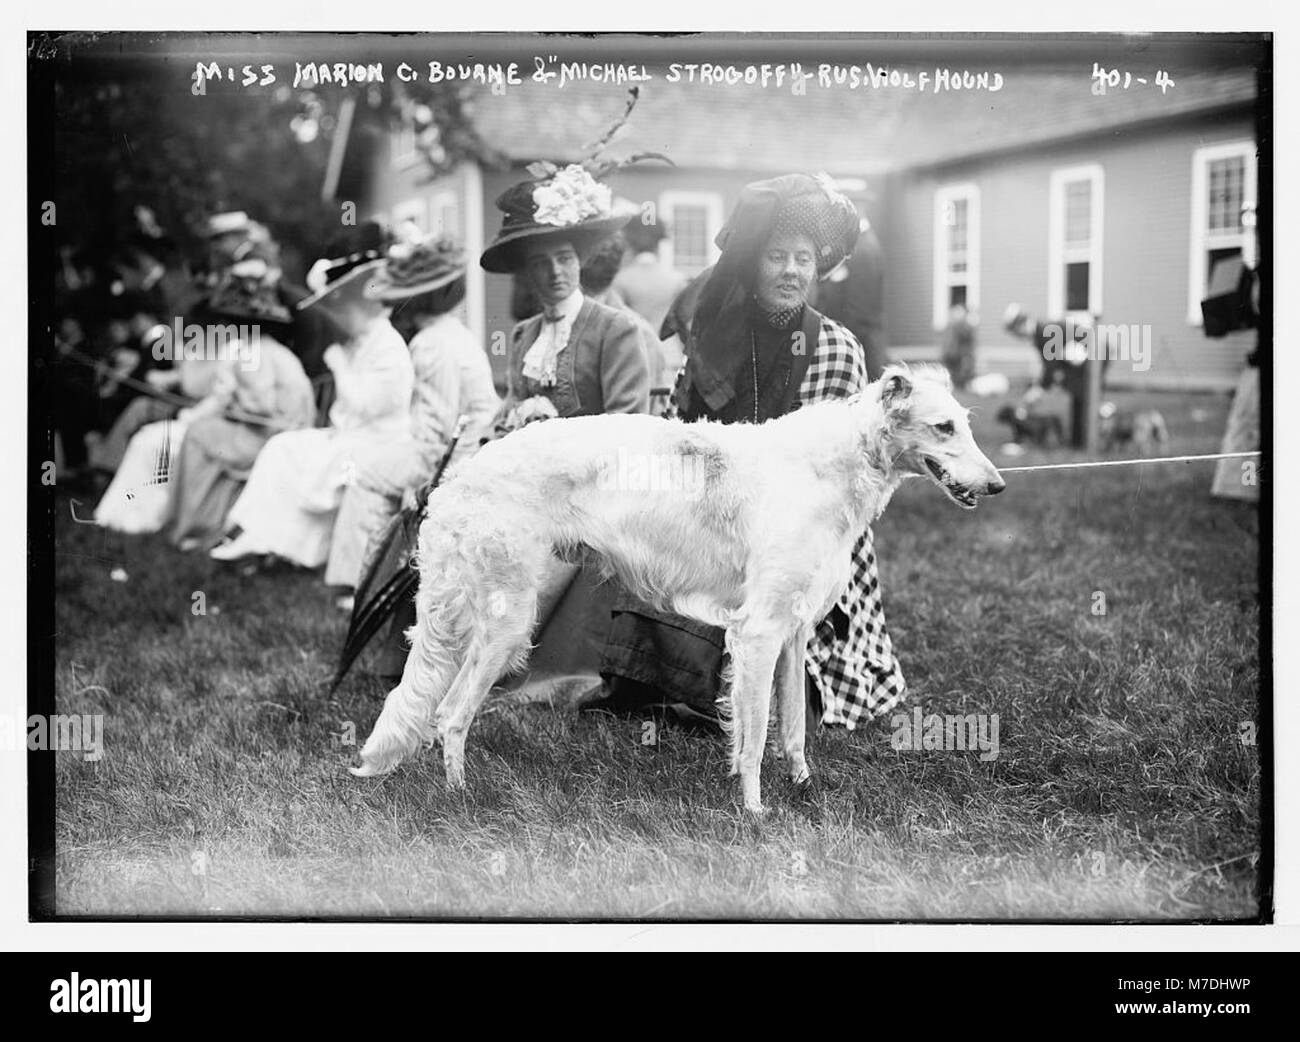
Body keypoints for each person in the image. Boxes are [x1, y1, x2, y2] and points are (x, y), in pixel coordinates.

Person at [599, 172, 908, 731]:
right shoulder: (717, 337)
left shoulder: (837, 348)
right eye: (776, 256)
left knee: (783, 650)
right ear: (754, 264)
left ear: (818, 269)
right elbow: (678, 442)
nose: (791, 270)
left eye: (804, 259)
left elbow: (837, 484)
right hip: (716, 519)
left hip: (801, 537)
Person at [476, 163, 650, 703]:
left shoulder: (615, 329)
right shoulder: (526, 334)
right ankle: (464, 656)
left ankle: (546, 673)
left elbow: (627, 426)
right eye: (541, 263)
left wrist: (555, 435)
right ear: (527, 275)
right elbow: (508, 409)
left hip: (596, 493)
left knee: (551, 550)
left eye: (565, 258)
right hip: (530, 485)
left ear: (582, 261)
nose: (555, 272)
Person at [210, 223, 413, 566]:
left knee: (320, 464)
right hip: (350, 436)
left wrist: (341, 369)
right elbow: (347, 411)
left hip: (380, 443)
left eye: (342, 310)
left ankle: (281, 545)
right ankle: (253, 533)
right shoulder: (357, 344)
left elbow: (370, 405)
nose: (337, 319)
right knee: (283, 447)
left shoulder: (388, 346)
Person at [324, 233, 499, 596]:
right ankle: (375, 576)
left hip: (460, 459)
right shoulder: (450, 332)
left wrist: (420, 484)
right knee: (369, 464)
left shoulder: (431, 344)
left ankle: (362, 584)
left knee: (360, 471)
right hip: (469, 448)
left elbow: (436, 438)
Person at [163, 276, 317, 550]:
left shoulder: (252, 353)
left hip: (275, 436)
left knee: (198, 434)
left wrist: (233, 400)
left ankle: (199, 526)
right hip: (286, 430)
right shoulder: (265, 348)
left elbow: (261, 407)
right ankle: (207, 519)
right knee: (207, 430)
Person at [815, 214, 890, 380]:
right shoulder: (865, 244)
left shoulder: (861, 248)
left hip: (858, 337)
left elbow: (859, 304)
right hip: (864, 336)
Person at [612, 213, 687, 374]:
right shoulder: (676, 280)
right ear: (659, 242)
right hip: (670, 358)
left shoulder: (621, 280)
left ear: (630, 242)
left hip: (634, 358)